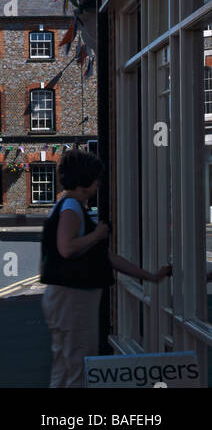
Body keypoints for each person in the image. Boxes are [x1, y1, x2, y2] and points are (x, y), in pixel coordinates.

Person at [40, 149, 171, 388]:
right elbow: (66, 248)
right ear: (85, 179)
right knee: (77, 366)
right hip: (72, 299)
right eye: (96, 177)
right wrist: (98, 234)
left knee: (66, 365)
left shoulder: (67, 204)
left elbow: (106, 257)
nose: (100, 182)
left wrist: (149, 276)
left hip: (65, 299)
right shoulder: (71, 207)